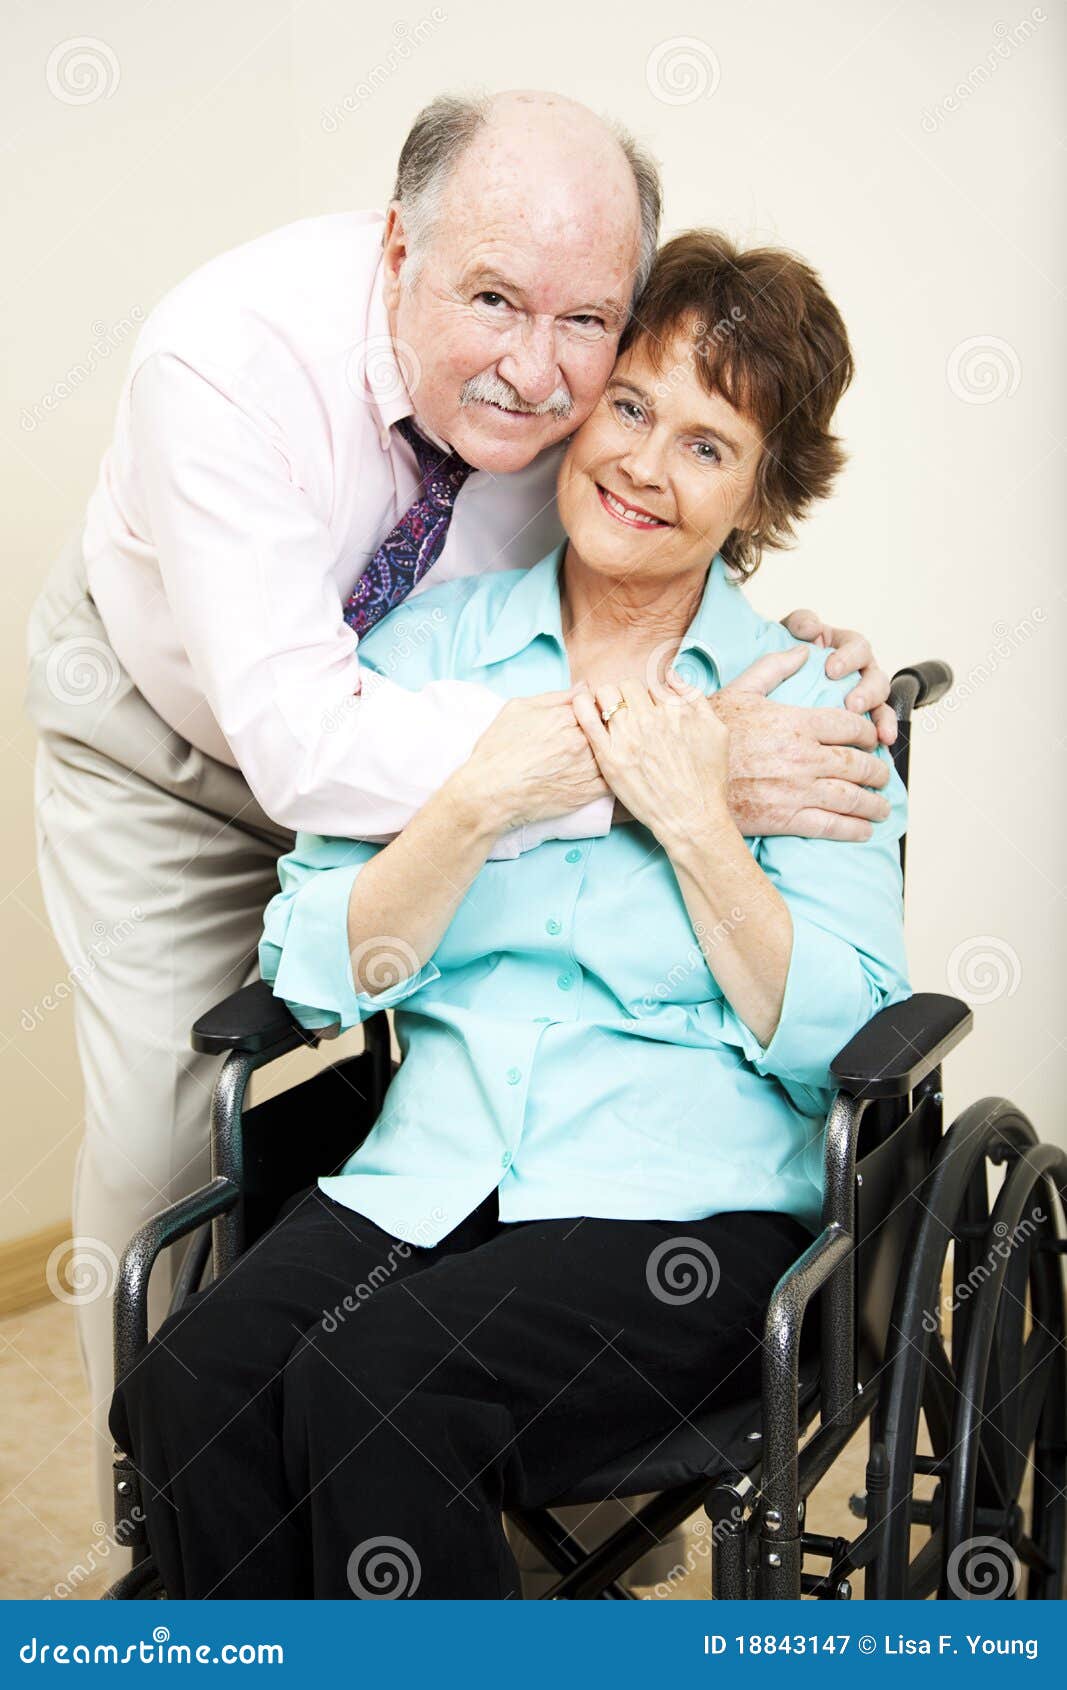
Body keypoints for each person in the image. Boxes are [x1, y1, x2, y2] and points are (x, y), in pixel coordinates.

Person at [109, 229, 911, 1599]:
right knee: (195, 1381)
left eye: (710, 446)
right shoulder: (427, 652)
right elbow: (316, 966)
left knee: (380, 1387)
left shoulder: (810, 704)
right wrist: (475, 800)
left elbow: (849, 1030)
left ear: (759, 498)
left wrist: (700, 817)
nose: (647, 465)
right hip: (433, 1173)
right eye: (634, 404)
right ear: (582, 401)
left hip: (685, 1218)